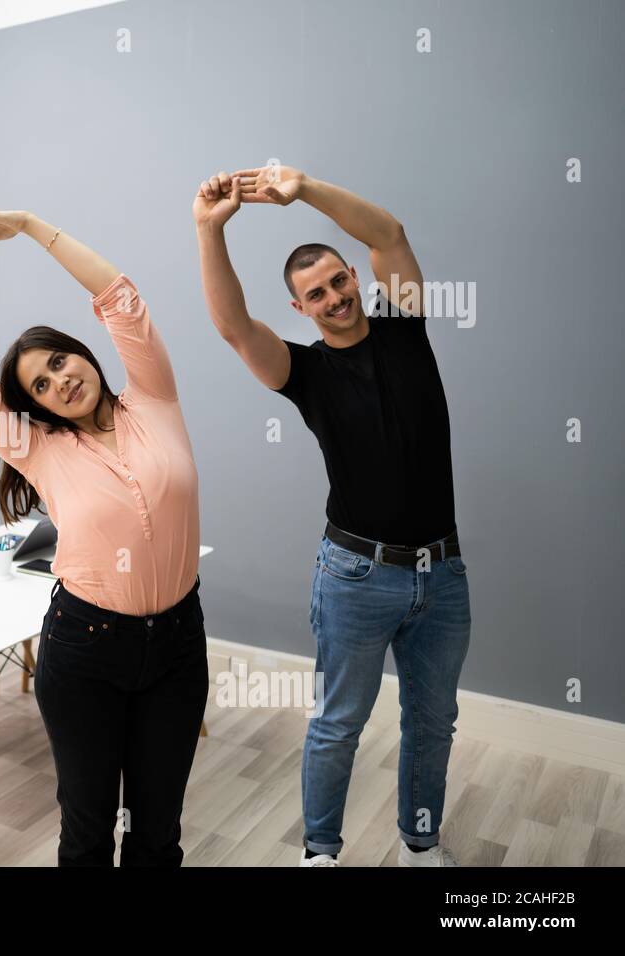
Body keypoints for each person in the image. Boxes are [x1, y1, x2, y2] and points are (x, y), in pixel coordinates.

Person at [194, 165, 469, 867]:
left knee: (433, 721)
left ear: (354, 276)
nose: (334, 298)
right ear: (301, 308)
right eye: (316, 294)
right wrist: (210, 228)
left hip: (443, 573)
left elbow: (391, 233)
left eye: (339, 282)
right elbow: (230, 326)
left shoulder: (405, 328)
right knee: (340, 724)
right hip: (354, 576)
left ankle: (419, 842)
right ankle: (319, 853)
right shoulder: (303, 373)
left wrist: (303, 188)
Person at [0, 204, 207, 866]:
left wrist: (28, 226)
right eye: (43, 385)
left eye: (60, 361)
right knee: (85, 836)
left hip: (176, 646)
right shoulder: (37, 449)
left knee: (157, 834)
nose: (61, 381)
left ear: (82, 351)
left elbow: (118, 295)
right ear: (37, 405)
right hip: (85, 650)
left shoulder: (155, 400)